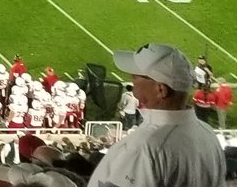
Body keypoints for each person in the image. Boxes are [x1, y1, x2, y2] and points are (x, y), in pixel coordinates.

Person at [89, 44, 225, 187]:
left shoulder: (144, 147)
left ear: (161, 90)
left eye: (136, 77)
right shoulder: (208, 134)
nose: (132, 81)